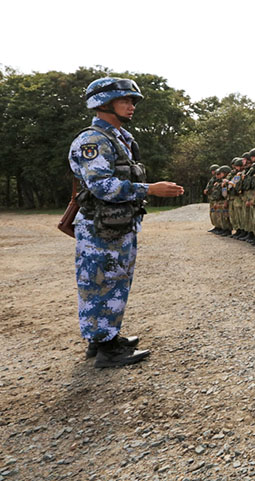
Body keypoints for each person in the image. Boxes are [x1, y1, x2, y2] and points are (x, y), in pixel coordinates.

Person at [70, 77, 184, 368]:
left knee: (115, 282)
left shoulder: (121, 138)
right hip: (100, 227)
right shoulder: (94, 140)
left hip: (117, 225)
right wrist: (149, 189)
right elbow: (101, 186)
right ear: (104, 103)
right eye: (125, 100)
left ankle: (104, 339)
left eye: (132, 101)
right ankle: (106, 349)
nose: (131, 106)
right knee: (100, 282)